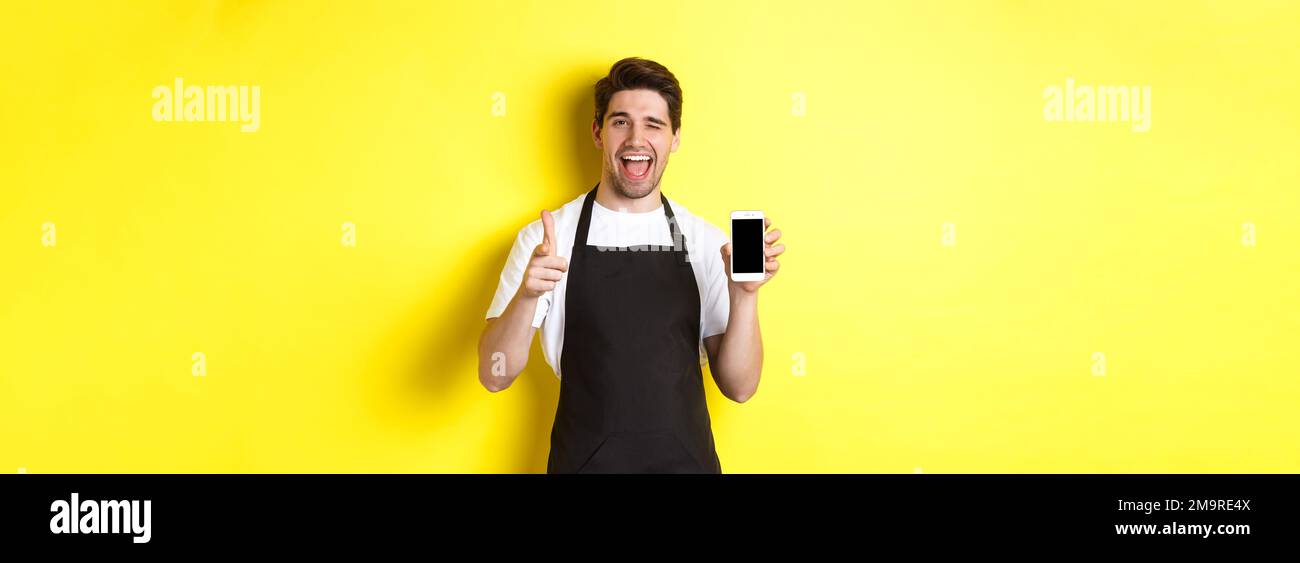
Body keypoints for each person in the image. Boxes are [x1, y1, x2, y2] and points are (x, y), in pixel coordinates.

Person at [478, 57, 786, 473]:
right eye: (620, 122)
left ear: (675, 138)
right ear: (597, 132)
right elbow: (494, 374)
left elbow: (741, 387)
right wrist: (527, 296)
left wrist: (745, 296)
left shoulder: (706, 243)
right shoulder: (548, 239)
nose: (636, 139)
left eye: (654, 125)